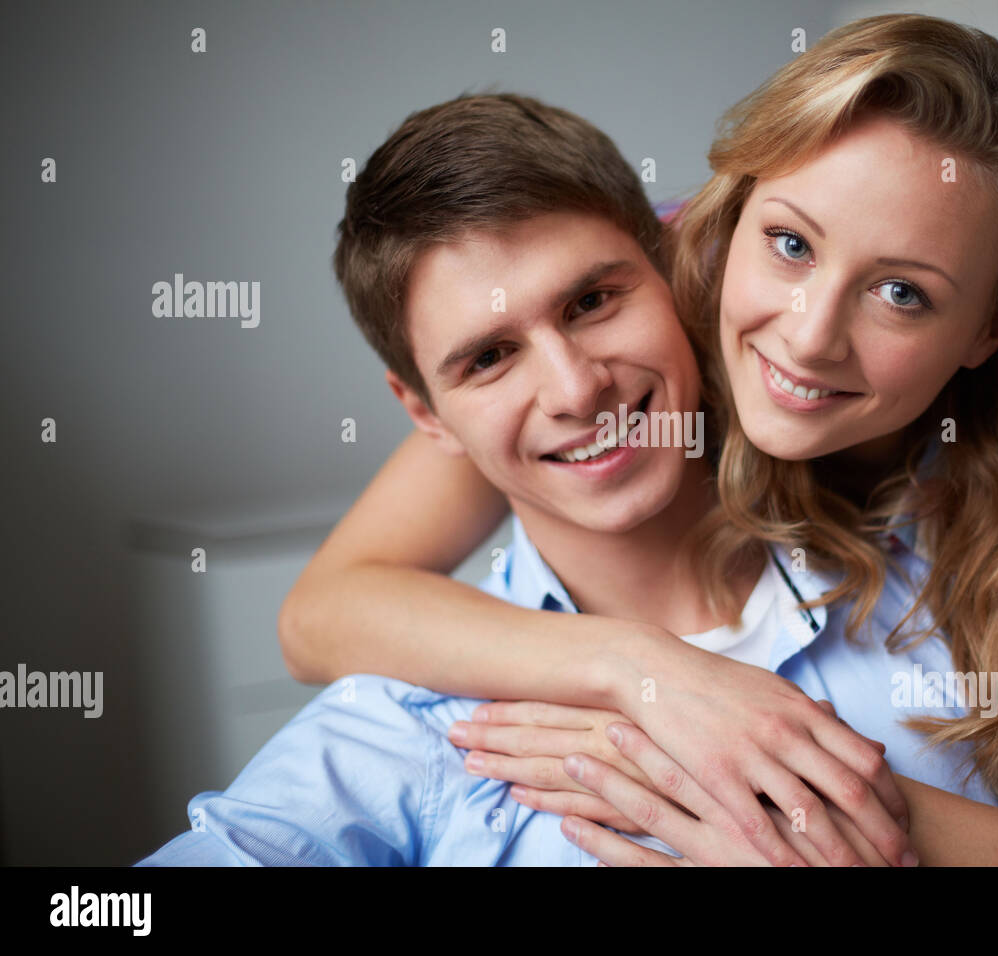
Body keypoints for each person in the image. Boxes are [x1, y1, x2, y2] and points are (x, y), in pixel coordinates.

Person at [277, 14, 998, 865]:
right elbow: (325, 612)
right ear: (728, 220)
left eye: (904, 293)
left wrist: (822, 793)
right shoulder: (624, 302)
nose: (808, 334)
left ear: (990, 329)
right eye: (790, 243)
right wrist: (654, 678)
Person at [138, 91, 926, 866]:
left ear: (673, 273)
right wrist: (639, 668)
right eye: (488, 356)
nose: (576, 389)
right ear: (424, 411)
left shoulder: (947, 582)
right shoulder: (423, 729)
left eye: (591, 301)